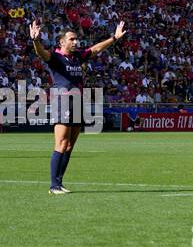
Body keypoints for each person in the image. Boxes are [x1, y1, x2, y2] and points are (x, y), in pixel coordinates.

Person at [29, 17, 126, 194]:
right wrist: (35, 40)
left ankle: (59, 182)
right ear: (62, 41)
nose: (76, 41)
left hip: (78, 102)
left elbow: (95, 49)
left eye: (76, 39)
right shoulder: (56, 57)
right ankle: (53, 185)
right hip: (62, 101)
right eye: (71, 39)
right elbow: (41, 53)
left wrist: (114, 38)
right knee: (61, 143)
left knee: (70, 146)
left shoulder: (76, 57)